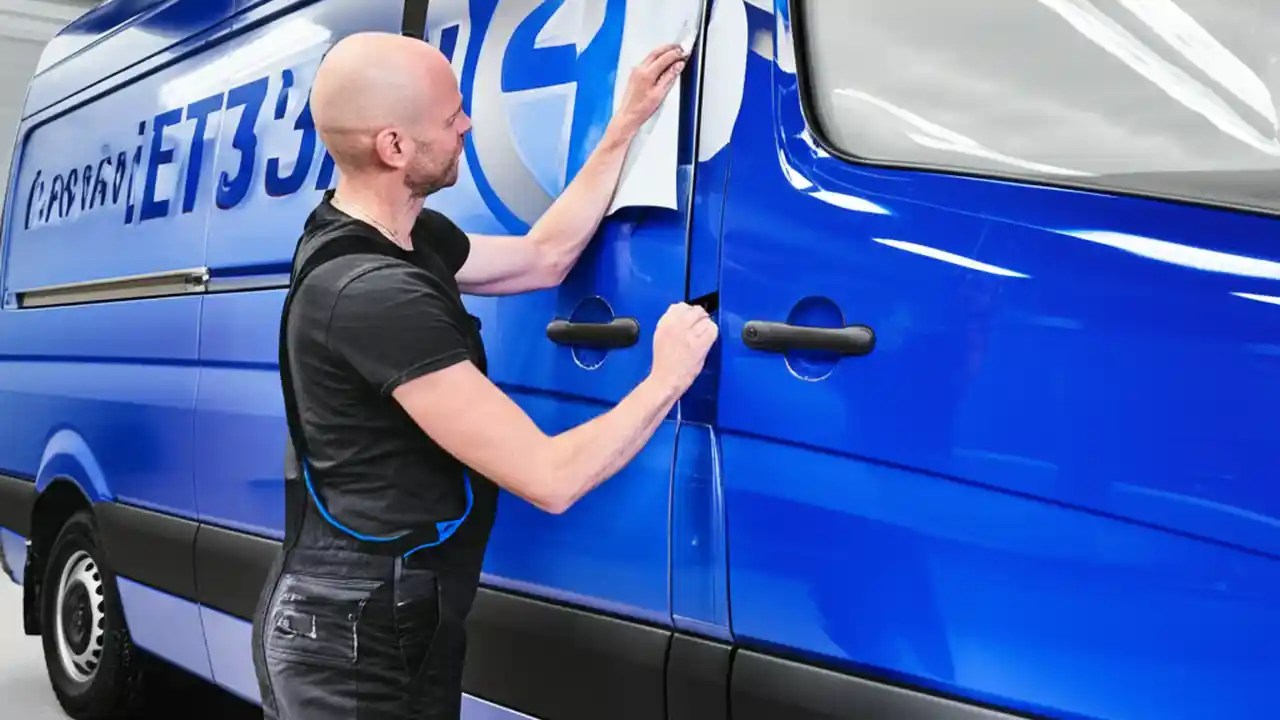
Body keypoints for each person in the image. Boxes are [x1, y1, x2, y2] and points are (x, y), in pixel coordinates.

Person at [250, 31, 716, 720]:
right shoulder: (373, 294)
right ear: (393, 147)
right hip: (350, 646)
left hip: (396, 620)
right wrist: (667, 378)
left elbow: (544, 256)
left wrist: (625, 125)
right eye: (451, 117)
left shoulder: (407, 237)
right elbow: (551, 478)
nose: (468, 124)